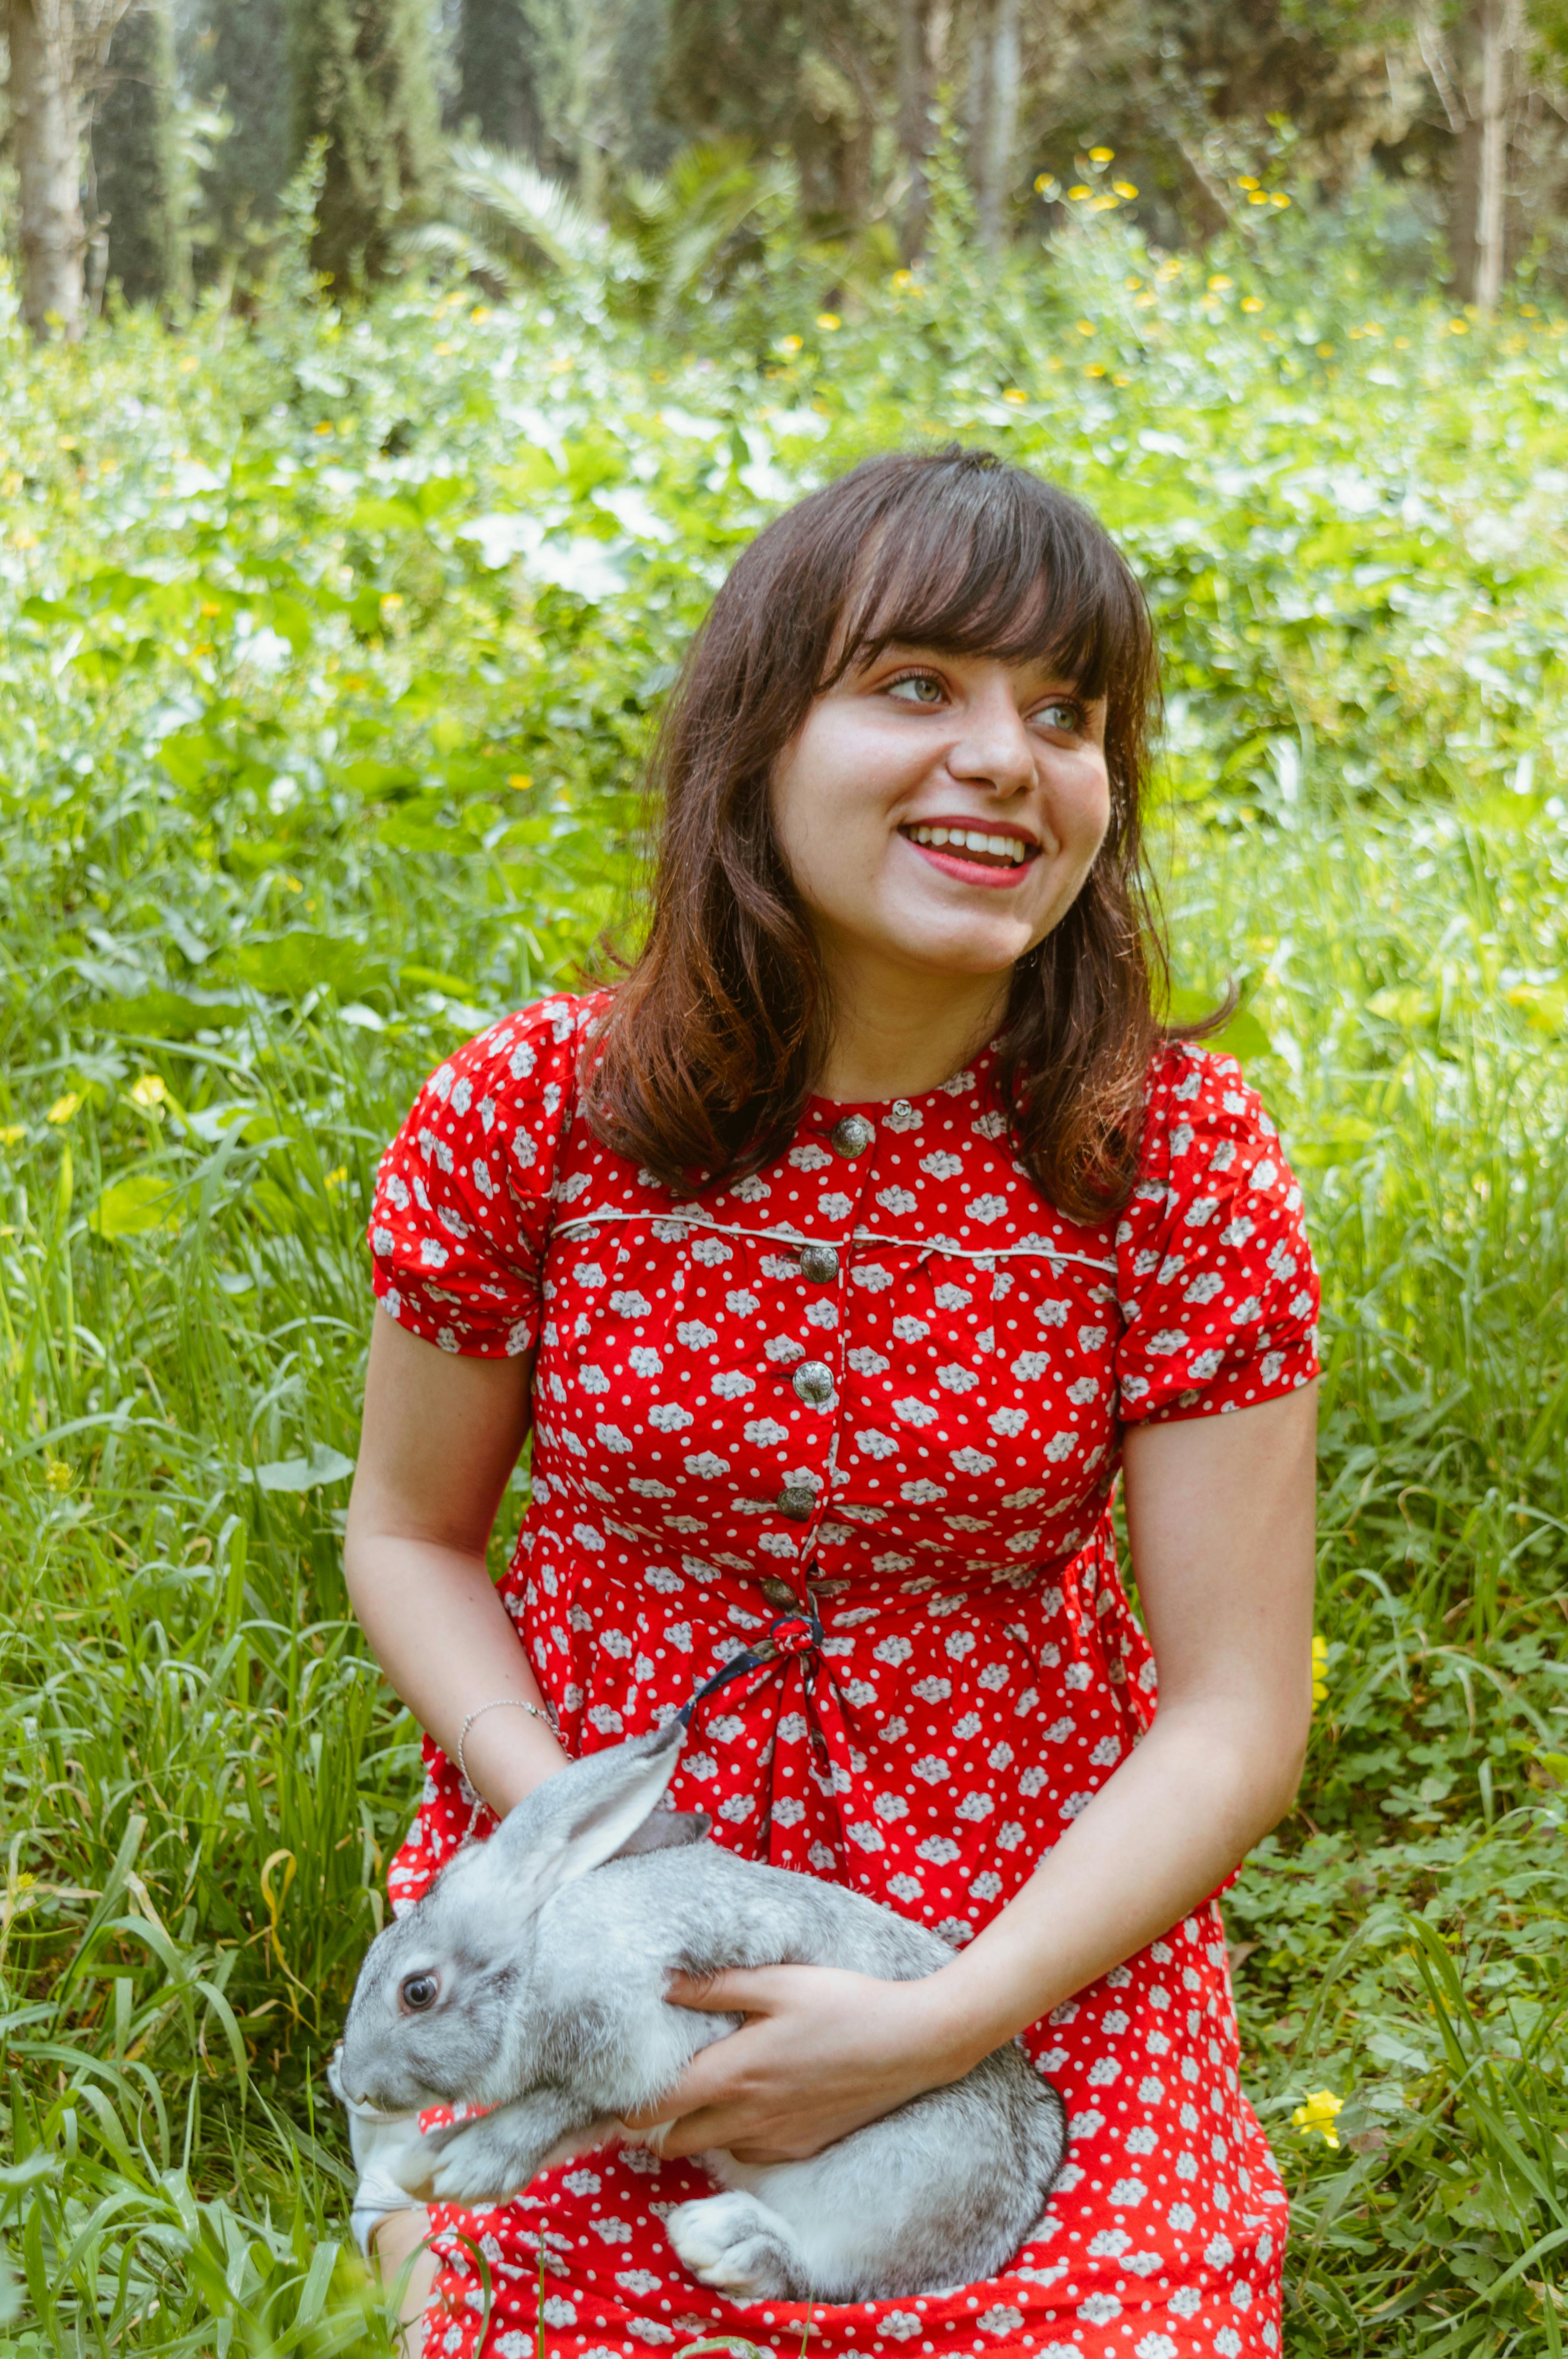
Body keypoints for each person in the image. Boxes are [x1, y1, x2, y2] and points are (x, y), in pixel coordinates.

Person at [344, 445, 1318, 2359]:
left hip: (1024, 1929)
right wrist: (572, 1870)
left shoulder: (1176, 1166)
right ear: (755, 738)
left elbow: (1232, 1714)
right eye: (915, 686)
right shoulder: (528, 1114)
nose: (1005, 757)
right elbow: (409, 1530)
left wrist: (938, 2024)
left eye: (1065, 714)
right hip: (579, 1927)